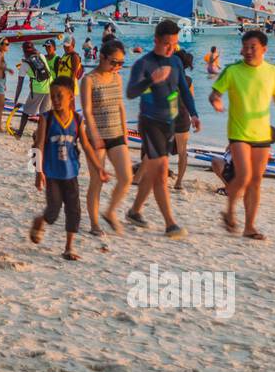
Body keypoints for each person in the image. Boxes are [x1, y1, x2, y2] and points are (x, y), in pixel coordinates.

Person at [209, 30, 275, 240]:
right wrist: (216, 102)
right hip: (238, 132)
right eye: (245, 47)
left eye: (253, 47)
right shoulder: (232, 71)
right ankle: (230, 210)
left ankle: (249, 227)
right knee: (244, 175)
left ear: (264, 49)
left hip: (262, 134)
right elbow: (215, 93)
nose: (248, 51)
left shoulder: (272, 72)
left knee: (256, 181)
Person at [126, 19, 199, 239]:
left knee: (156, 169)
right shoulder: (144, 63)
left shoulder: (176, 63)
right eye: (167, 43)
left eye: (174, 44)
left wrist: (194, 114)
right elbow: (131, 92)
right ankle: (170, 223)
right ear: (156, 40)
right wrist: (150, 81)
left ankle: (135, 210)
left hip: (170, 122)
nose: (170, 48)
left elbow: (184, 90)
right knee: (161, 170)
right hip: (150, 122)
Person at [30, 76, 101, 260]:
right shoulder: (46, 119)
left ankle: (69, 247)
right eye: (52, 96)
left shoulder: (77, 120)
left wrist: (99, 168)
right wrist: (38, 172)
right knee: (53, 210)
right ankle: (41, 221)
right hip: (52, 173)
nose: (55, 100)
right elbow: (38, 145)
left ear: (71, 97)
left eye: (59, 96)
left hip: (71, 173)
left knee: (73, 210)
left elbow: (85, 145)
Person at [80, 39, 131, 234]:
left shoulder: (117, 78)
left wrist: (125, 135)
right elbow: (86, 110)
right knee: (96, 181)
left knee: (126, 177)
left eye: (120, 63)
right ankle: (94, 224)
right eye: (114, 62)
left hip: (116, 134)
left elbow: (120, 106)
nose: (117, 66)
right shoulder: (89, 80)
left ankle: (110, 212)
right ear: (101, 57)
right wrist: (94, 134)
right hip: (96, 137)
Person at [14, 41, 53, 138]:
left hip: (37, 89)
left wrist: (16, 99)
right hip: (50, 87)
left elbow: (20, 84)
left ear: (23, 50)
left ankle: (19, 133)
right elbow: (48, 72)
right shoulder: (42, 56)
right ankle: (41, 134)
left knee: (26, 111)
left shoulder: (25, 64)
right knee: (44, 114)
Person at [172, 49, 196, 190]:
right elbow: (190, 101)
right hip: (182, 118)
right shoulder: (188, 80)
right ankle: (179, 182)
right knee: (182, 151)